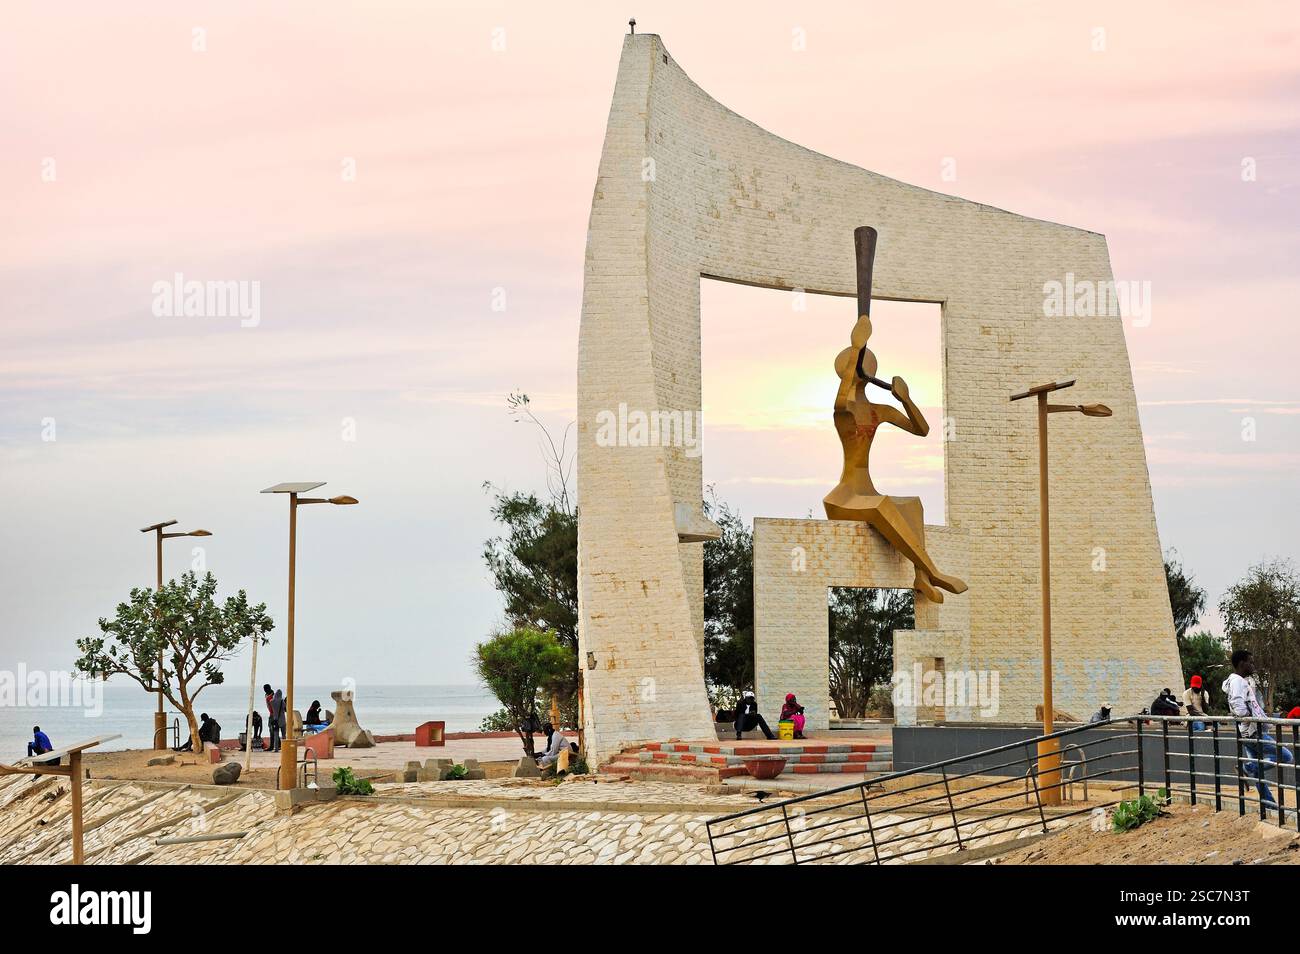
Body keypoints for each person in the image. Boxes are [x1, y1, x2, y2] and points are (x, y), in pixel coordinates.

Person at [1223, 649, 1294, 810]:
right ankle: (1247, 767)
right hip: (1252, 731)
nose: (1253, 665)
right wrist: (1249, 716)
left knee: (1258, 773)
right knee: (1285, 756)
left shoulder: (1238, 681)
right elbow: (1238, 706)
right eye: (1251, 662)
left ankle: (1270, 806)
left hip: (1247, 731)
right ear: (1242, 664)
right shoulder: (1238, 682)